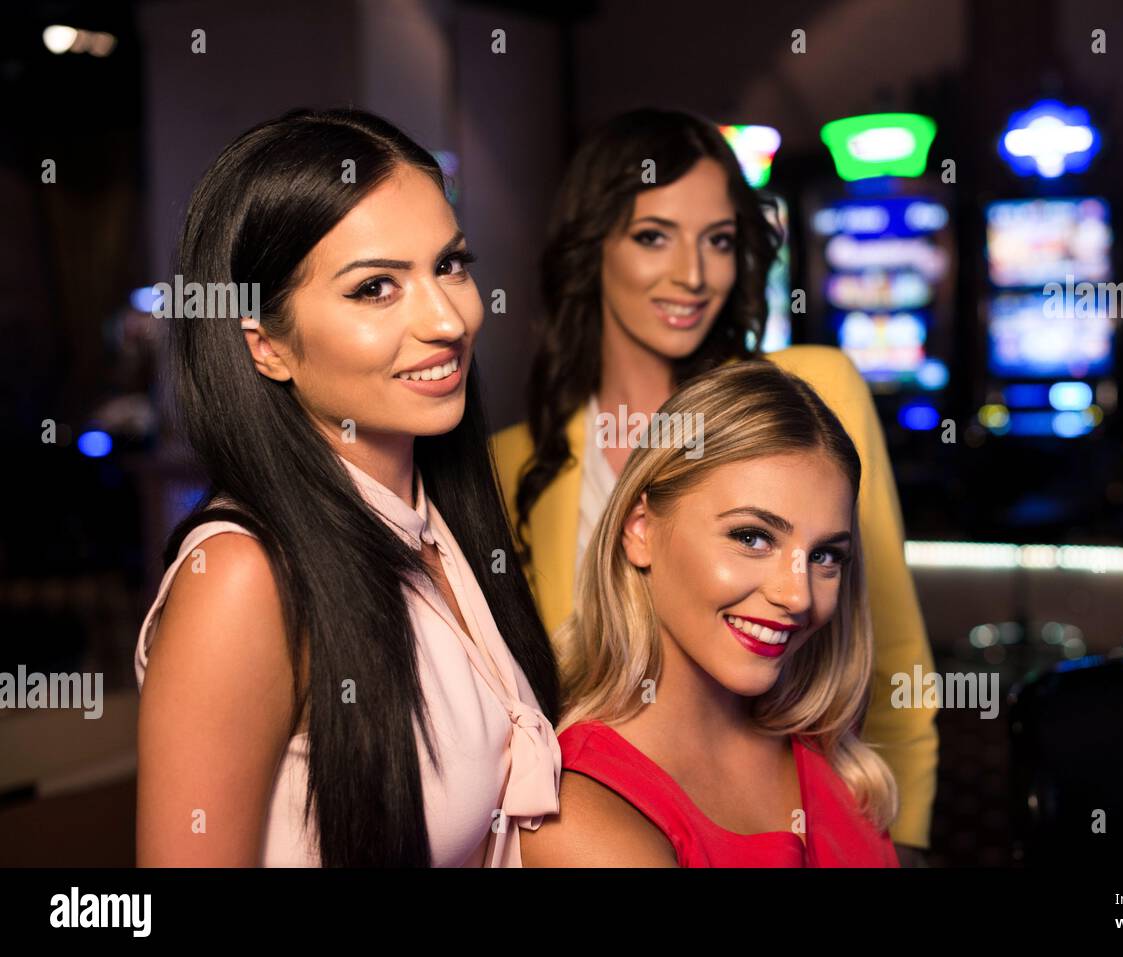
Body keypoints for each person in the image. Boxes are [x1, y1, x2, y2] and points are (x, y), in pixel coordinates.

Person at [492, 107, 938, 858]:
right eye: (653, 236)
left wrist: (902, 842)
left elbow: (893, 661)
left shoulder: (810, 390)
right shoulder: (512, 463)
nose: (693, 275)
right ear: (590, 247)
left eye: (720, 241)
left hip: (815, 806)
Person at [134, 108, 560, 867]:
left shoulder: (439, 523)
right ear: (266, 347)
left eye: (450, 265)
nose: (448, 318)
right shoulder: (243, 580)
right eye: (375, 288)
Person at [522, 361, 899, 866]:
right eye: (752, 537)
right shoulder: (582, 808)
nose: (798, 596)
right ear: (640, 531)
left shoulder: (830, 748)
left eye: (825, 555)